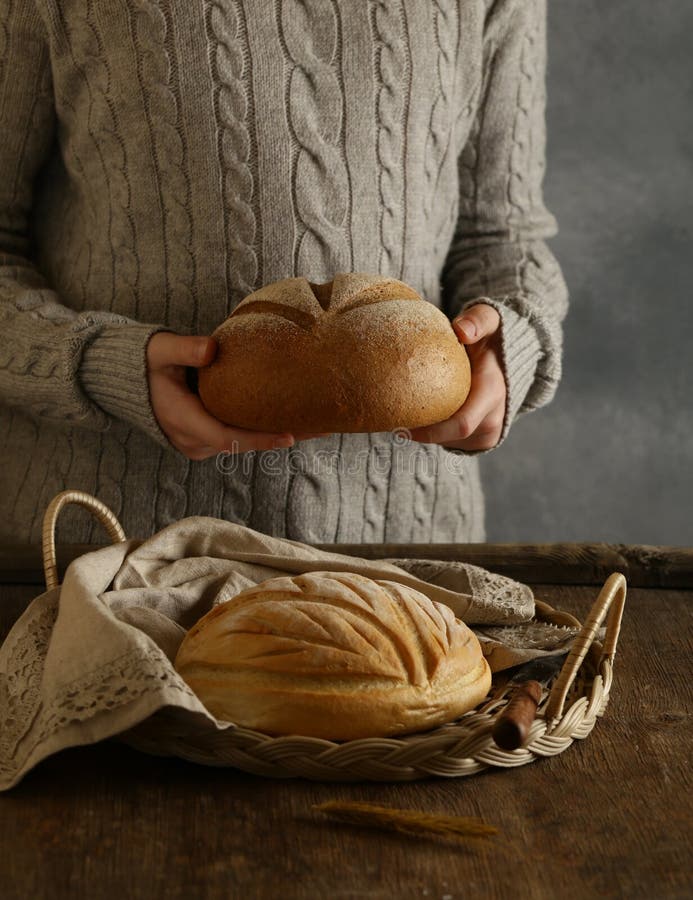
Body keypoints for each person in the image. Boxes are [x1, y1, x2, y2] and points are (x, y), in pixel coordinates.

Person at [0, 0, 568, 545]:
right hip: (110, 550)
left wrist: (509, 344)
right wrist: (102, 366)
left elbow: (501, 237)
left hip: (406, 555)